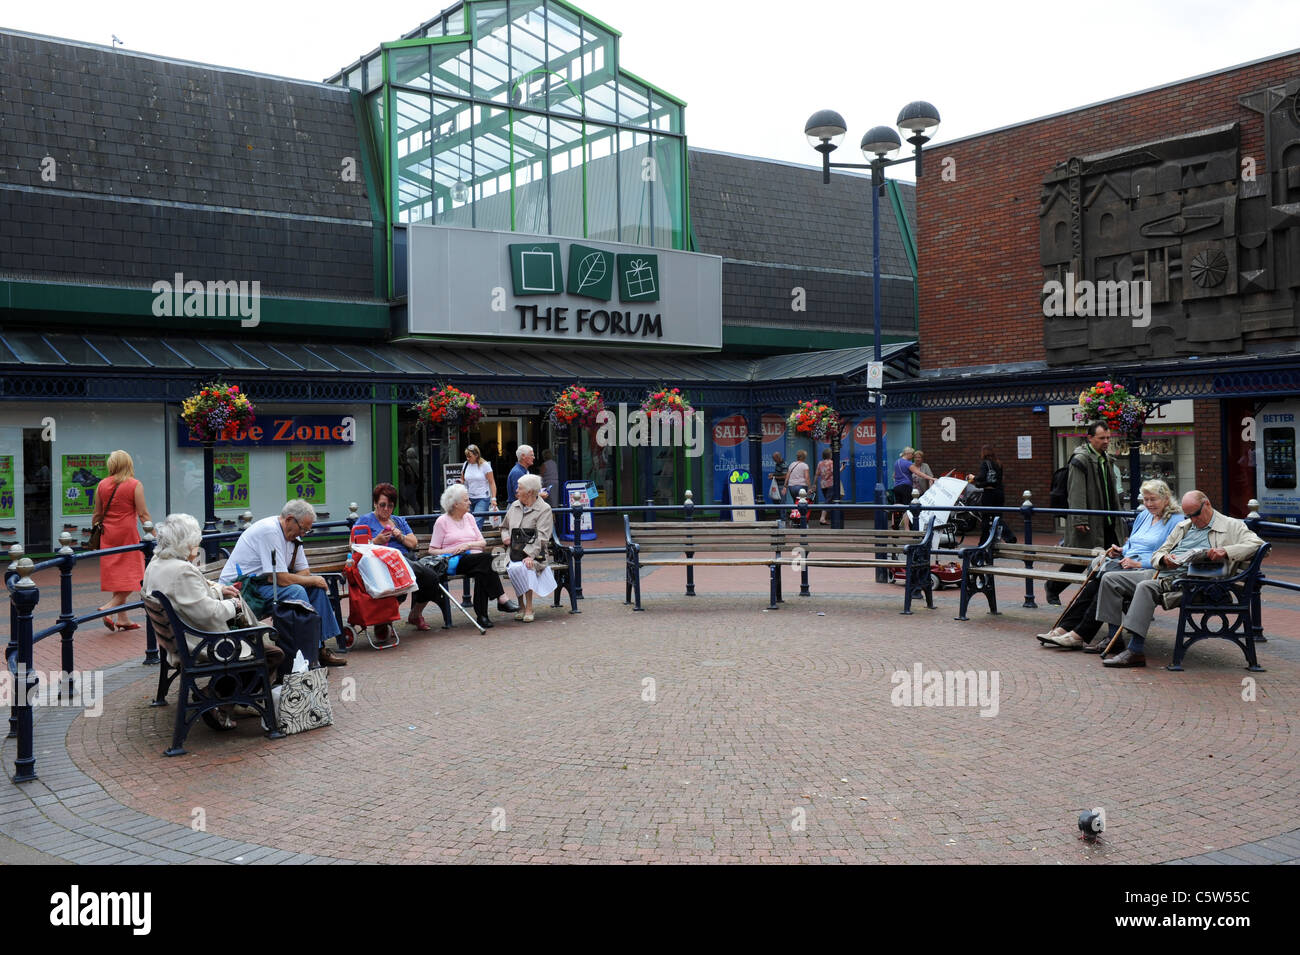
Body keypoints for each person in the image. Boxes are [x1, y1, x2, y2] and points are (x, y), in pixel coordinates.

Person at [1095, 490, 1265, 668]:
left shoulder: (1231, 526)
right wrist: (1164, 559)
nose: (1193, 520)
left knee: (1146, 587)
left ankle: (1135, 651)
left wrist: (1227, 551)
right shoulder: (1184, 526)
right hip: (1163, 574)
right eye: (1188, 515)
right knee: (1110, 579)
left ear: (1206, 504)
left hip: (1195, 584)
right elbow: (1158, 553)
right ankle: (1114, 639)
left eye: (1195, 514)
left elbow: (1260, 546)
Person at [144, 513, 283, 728]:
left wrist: (220, 589)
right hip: (199, 643)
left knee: (259, 648)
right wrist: (235, 605)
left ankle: (227, 699)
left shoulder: (157, 563)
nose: (197, 545)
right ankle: (215, 697)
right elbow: (209, 613)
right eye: (195, 542)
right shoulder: (181, 571)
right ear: (185, 543)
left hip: (179, 639)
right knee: (272, 654)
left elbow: (198, 589)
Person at [1038, 480, 1179, 650]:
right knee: (1095, 583)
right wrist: (1120, 550)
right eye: (1145, 500)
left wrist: (1138, 562)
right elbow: (1132, 545)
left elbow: (1170, 556)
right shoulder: (1144, 516)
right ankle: (1066, 629)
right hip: (1126, 564)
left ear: (1166, 498)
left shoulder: (1176, 520)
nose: (1149, 504)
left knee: (1104, 580)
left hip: (1149, 569)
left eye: (1153, 499)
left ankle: (1078, 634)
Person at [217, 500, 347, 666]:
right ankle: (307, 652)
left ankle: (317, 648)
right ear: (289, 519)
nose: (303, 534)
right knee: (297, 591)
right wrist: (309, 579)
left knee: (315, 589)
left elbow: (303, 571)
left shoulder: (293, 535)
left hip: (262, 585)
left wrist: (308, 580)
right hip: (242, 590)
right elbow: (280, 578)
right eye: (302, 529)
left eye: (307, 530)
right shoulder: (270, 531)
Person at [1044, 422, 1127, 605]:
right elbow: (1076, 491)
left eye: (1108, 438)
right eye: (1102, 438)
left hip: (1108, 519)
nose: (1106, 441)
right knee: (1080, 560)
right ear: (1090, 438)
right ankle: (1053, 586)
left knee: (1111, 558)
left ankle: (1117, 601)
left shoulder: (1106, 458)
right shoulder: (1081, 459)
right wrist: (1079, 518)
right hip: (1090, 519)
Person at [354, 482, 441, 638]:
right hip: (381, 564)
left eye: (390, 506)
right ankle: (385, 620)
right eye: (382, 505)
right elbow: (353, 545)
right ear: (375, 503)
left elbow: (413, 543)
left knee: (431, 578)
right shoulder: (365, 520)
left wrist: (399, 536)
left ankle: (415, 614)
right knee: (402, 580)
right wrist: (375, 541)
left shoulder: (398, 521)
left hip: (404, 560)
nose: (386, 509)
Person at [429, 484, 517, 629]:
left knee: (483, 569)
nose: (470, 502)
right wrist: (454, 549)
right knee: (487, 560)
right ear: (456, 504)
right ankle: (501, 599)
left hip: (475, 561)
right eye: (466, 500)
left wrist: (468, 545)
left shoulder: (469, 517)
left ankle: (483, 617)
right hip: (455, 561)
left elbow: (482, 543)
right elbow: (432, 550)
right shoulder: (442, 521)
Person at [92, 449, 152, 631]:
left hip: (108, 534)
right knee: (136, 576)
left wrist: (96, 535)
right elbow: (142, 514)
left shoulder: (101, 485)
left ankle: (123, 618)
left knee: (119, 575)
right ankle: (108, 609)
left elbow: (97, 515)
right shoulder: (134, 484)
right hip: (127, 534)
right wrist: (154, 534)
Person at [500, 474, 555, 623]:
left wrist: (530, 554)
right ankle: (521, 605)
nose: (516, 490)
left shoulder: (544, 509)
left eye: (520, 488)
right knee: (514, 567)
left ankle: (529, 607)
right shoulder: (515, 506)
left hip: (536, 553)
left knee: (526, 566)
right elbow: (504, 527)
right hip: (514, 552)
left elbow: (543, 536)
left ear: (530, 492)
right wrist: (505, 536)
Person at [972, 445, 1015, 544]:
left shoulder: (985, 464)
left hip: (989, 494)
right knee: (997, 517)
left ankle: (983, 543)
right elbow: (996, 481)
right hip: (999, 493)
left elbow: (983, 478)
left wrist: (974, 478)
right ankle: (1009, 536)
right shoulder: (998, 463)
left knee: (986, 518)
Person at [460, 444, 497, 528]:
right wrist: (460, 482)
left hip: (482, 498)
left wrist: (493, 498)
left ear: (476, 455)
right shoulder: (466, 464)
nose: (467, 458)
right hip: (468, 498)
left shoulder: (485, 465)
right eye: (466, 456)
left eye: (470, 456)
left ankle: (474, 540)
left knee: (476, 524)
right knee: (468, 523)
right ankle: (474, 539)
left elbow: (492, 482)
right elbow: (462, 480)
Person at [891, 447, 926, 529]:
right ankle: (907, 528)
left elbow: (894, 476)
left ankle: (895, 526)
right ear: (909, 454)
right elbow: (918, 473)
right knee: (907, 507)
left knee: (897, 506)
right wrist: (931, 478)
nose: (913, 456)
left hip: (896, 487)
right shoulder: (907, 463)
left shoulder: (897, 462)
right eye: (912, 454)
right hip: (906, 487)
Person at [816, 449, 835, 526]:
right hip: (830, 483)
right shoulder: (831, 462)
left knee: (829, 500)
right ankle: (822, 518)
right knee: (828, 501)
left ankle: (831, 517)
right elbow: (834, 472)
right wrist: (842, 468)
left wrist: (814, 484)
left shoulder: (820, 463)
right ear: (829, 455)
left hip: (823, 485)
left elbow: (817, 474)